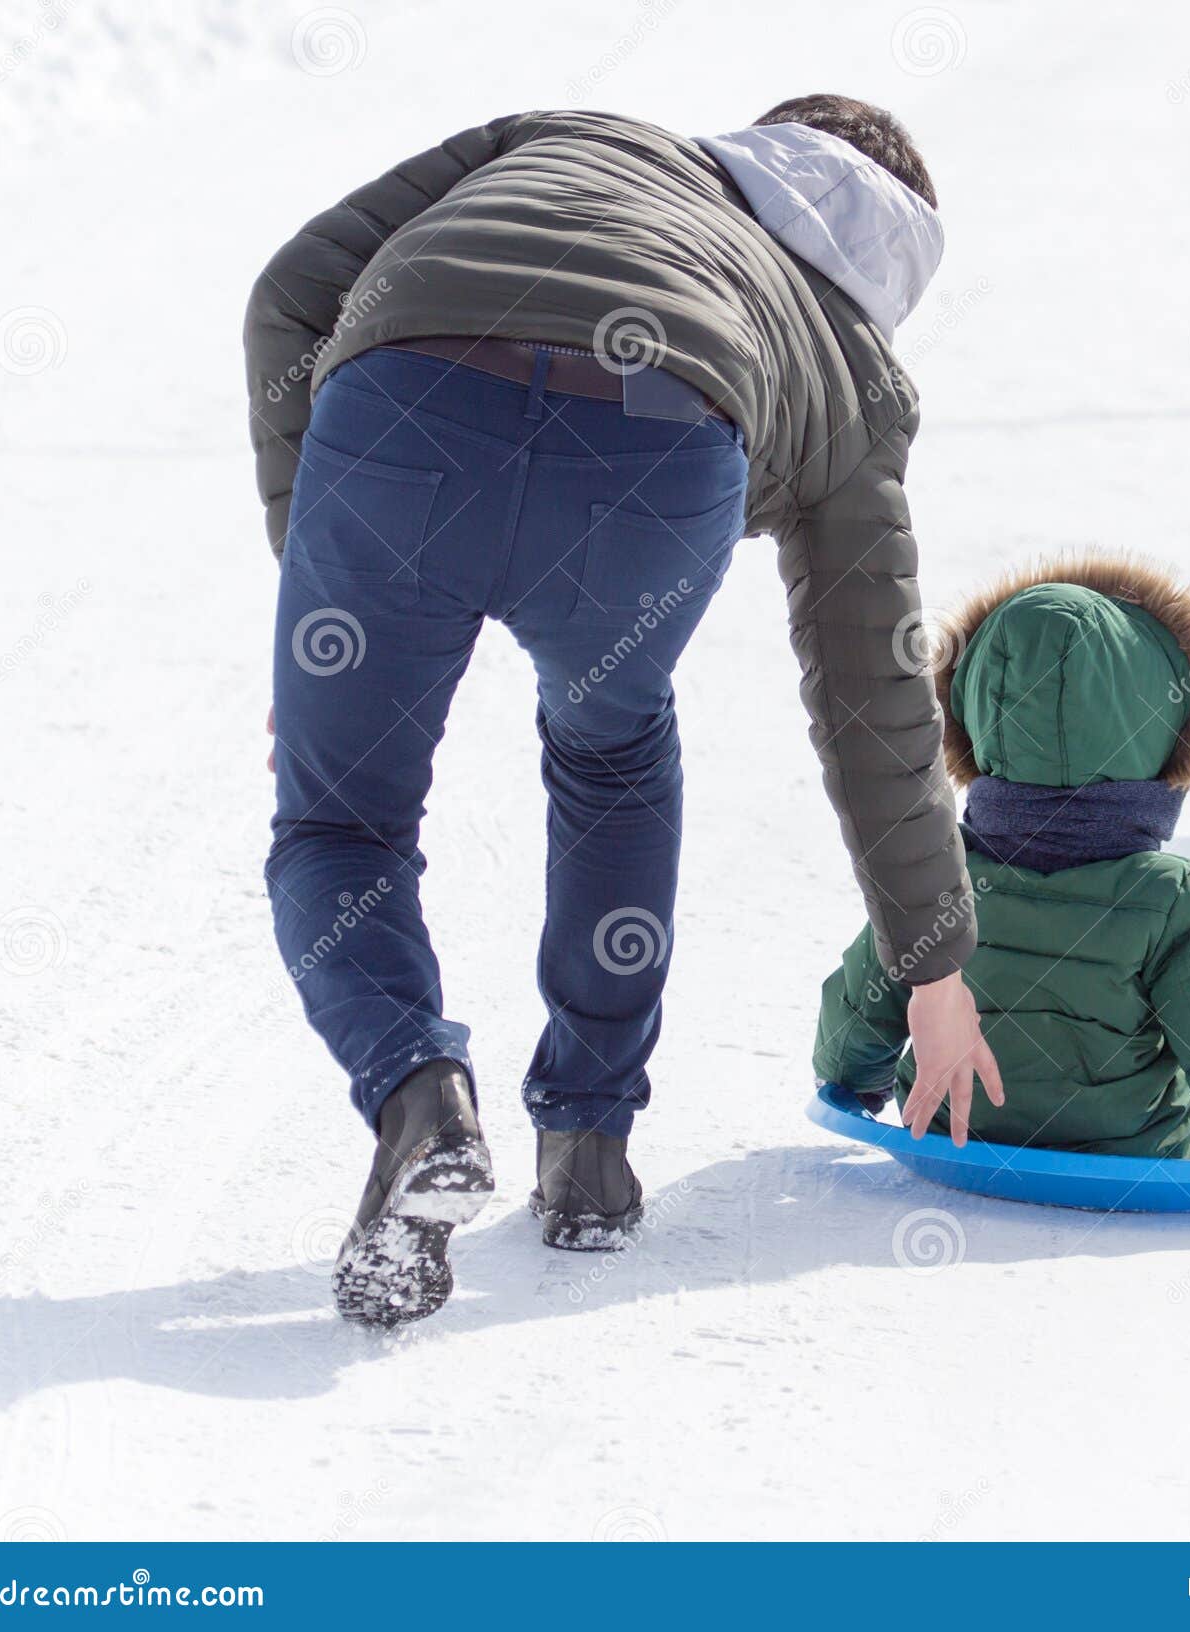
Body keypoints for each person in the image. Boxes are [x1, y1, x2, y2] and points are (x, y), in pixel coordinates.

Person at [244, 96, 1002, 1327]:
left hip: (403, 404)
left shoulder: (572, 137)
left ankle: (419, 1098)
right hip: (653, 455)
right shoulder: (849, 366)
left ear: (761, 148)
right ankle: (587, 1149)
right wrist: (933, 967)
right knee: (613, 756)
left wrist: (319, 603)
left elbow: (294, 285)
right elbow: (875, 691)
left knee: (341, 825)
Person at [812, 553, 1190, 1200]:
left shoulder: (935, 871)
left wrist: (851, 1077)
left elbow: (864, 1001)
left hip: (953, 1135)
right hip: (1131, 1156)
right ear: (1164, 734)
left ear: (976, 715)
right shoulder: (1168, 900)